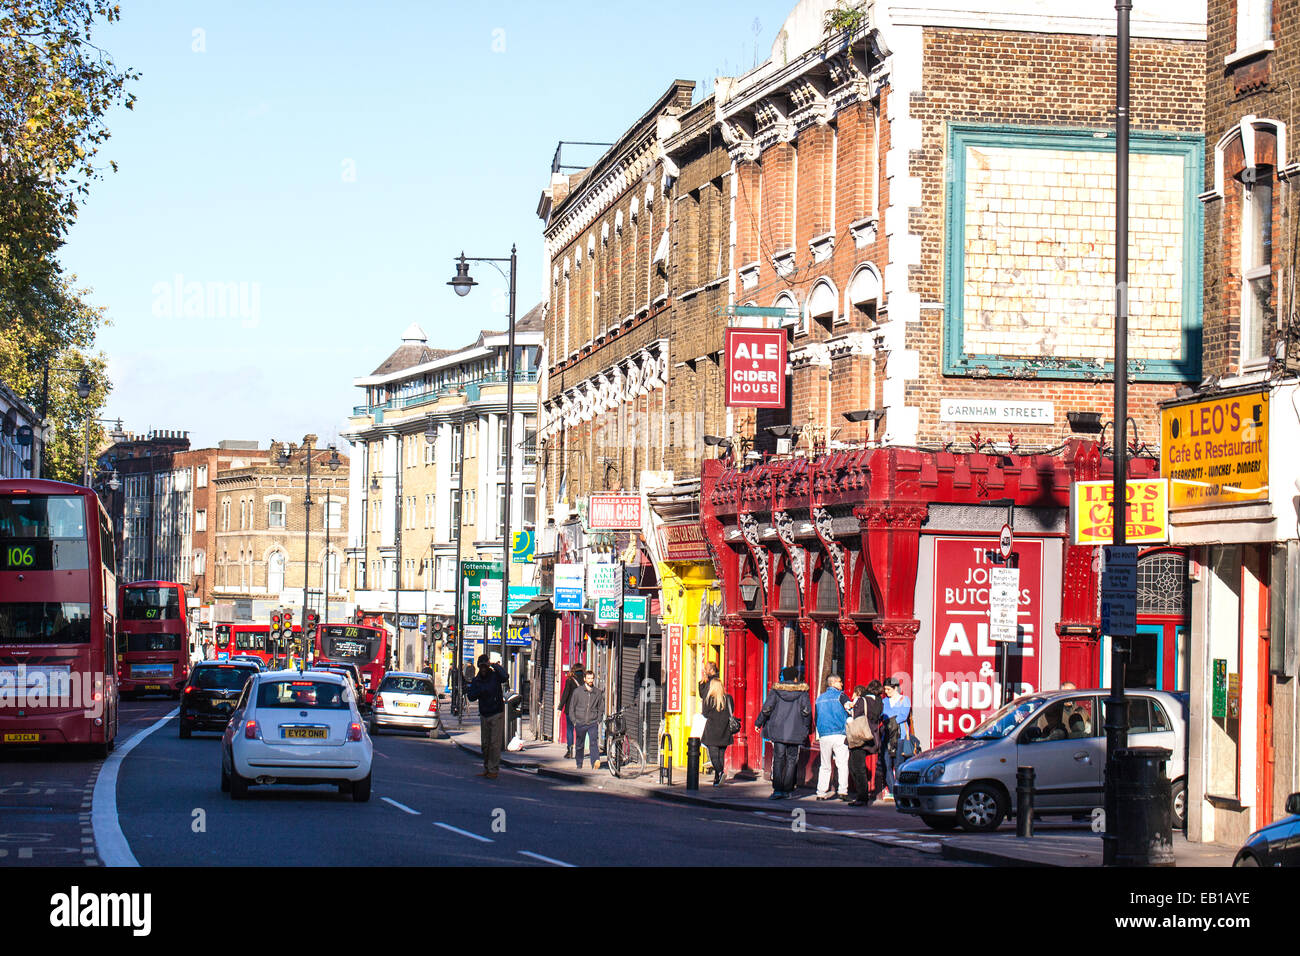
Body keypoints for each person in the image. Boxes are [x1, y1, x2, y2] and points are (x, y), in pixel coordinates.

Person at [754, 666, 811, 800]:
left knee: (779, 759)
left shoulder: (776, 691)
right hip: (796, 731)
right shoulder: (802, 692)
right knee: (792, 759)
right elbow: (806, 711)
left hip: (778, 729)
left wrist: (759, 722)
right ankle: (787, 789)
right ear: (795, 678)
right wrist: (806, 727)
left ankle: (778, 789)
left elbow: (767, 708)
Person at [465, 654, 509, 779]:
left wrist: (495, 665)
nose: (483, 669)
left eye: (485, 666)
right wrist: (479, 691)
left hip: (496, 713)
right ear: (479, 667)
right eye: (481, 667)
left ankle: (493, 769)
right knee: (485, 744)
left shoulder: (495, 676)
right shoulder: (477, 680)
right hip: (484, 714)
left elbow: (505, 676)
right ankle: (487, 767)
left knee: (495, 743)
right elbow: (471, 696)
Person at [814, 674, 851, 801]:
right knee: (842, 763)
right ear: (834, 683)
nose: (842, 684)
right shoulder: (841, 696)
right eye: (840, 682)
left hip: (824, 735)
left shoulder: (819, 699)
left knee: (824, 765)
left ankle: (821, 792)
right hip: (839, 733)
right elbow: (850, 710)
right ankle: (842, 791)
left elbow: (816, 717)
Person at [847, 682, 882, 806]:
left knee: (856, 767)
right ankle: (862, 795)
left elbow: (855, 715)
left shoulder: (862, 700)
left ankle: (862, 797)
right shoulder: (879, 702)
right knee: (857, 766)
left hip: (860, 735)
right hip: (871, 736)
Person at [880, 677, 912, 799]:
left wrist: (890, 720)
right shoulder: (884, 701)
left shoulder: (905, 700)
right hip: (887, 736)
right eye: (885, 689)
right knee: (886, 763)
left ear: (895, 688)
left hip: (900, 735)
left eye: (888, 689)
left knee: (899, 764)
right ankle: (893, 790)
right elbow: (882, 716)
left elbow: (903, 715)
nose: (886, 692)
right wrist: (892, 719)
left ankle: (899, 789)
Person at [700, 678, 736, 786]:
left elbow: (705, 714)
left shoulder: (708, 699)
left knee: (714, 756)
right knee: (721, 755)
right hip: (725, 730)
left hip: (712, 730)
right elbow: (731, 711)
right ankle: (717, 780)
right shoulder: (728, 698)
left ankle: (720, 773)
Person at [566, 669, 604, 770]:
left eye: (592, 678)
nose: (590, 680)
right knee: (579, 745)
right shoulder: (578, 692)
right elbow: (572, 707)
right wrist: (574, 720)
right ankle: (579, 764)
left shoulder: (597, 693)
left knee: (593, 743)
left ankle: (595, 763)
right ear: (584, 679)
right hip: (580, 722)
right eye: (588, 678)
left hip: (592, 722)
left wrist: (598, 719)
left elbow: (601, 707)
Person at [557, 663, 585, 759]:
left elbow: (565, 694)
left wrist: (560, 708)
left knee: (570, 729)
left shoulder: (570, 680)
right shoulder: (585, 680)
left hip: (570, 709)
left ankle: (569, 751)